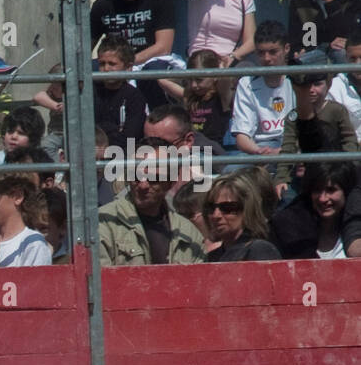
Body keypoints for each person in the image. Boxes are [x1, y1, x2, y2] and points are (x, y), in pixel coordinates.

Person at [97, 137, 207, 266]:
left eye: (153, 178)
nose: (143, 185)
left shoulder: (188, 233)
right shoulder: (103, 222)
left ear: (170, 182)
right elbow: (99, 281)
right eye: (136, 176)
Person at [274, 72, 357, 202]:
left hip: (334, 170)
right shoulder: (293, 116)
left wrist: (348, 168)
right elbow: (287, 149)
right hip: (306, 173)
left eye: (317, 84)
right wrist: (281, 179)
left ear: (329, 85)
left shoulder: (337, 110)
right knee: (287, 198)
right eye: (307, 86)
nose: (311, 90)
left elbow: (349, 141)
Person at [230, 21, 292, 162]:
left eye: (273, 52)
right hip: (259, 150)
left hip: (294, 147)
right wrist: (259, 152)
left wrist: (283, 152)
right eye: (261, 53)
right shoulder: (246, 83)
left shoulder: (299, 77)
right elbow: (242, 136)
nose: (266, 59)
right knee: (230, 172)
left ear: (286, 48)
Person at [271, 162, 353, 259]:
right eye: (317, 190)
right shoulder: (289, 229)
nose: (323, 198)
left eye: (331, 190)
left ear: (347, 191)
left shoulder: (356, 227)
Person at [203, 172, 282, 261]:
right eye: (210, 207)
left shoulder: (259, 250)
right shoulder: (212, 256)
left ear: (248, 209)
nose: (216, 215)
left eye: (227, 207)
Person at [93, 36, 146, 149]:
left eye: (112, 64)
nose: (106, 68)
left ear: (128, 67)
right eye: (102, 63)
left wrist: (102, 132)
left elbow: (130, 138)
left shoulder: (134, 97)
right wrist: (114, 130)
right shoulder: (91, 92)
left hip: (121, 158)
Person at [327, 28, 361, 140]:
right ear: (346, 57)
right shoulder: (334, 88)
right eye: (353, 58)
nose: (358, 64)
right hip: (349, 150)